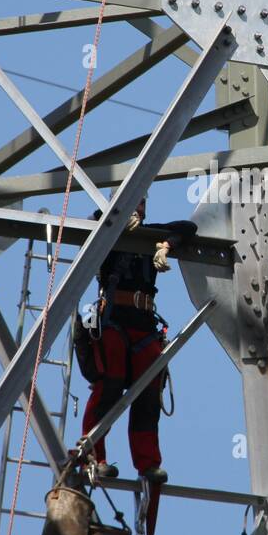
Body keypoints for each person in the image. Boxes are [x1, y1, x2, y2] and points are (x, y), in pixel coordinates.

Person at [74, 199, 196, 484]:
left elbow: (187, 227)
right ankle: (93, 456)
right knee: (109, 384)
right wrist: (110, 220)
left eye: (141, 204)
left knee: (149, 391)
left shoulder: (152, 235)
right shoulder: (105, 235)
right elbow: (88, 225)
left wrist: (166, 245)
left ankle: (148, 463)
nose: (137, 209)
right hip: (113, 321)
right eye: (132, 202)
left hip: (143, 325)